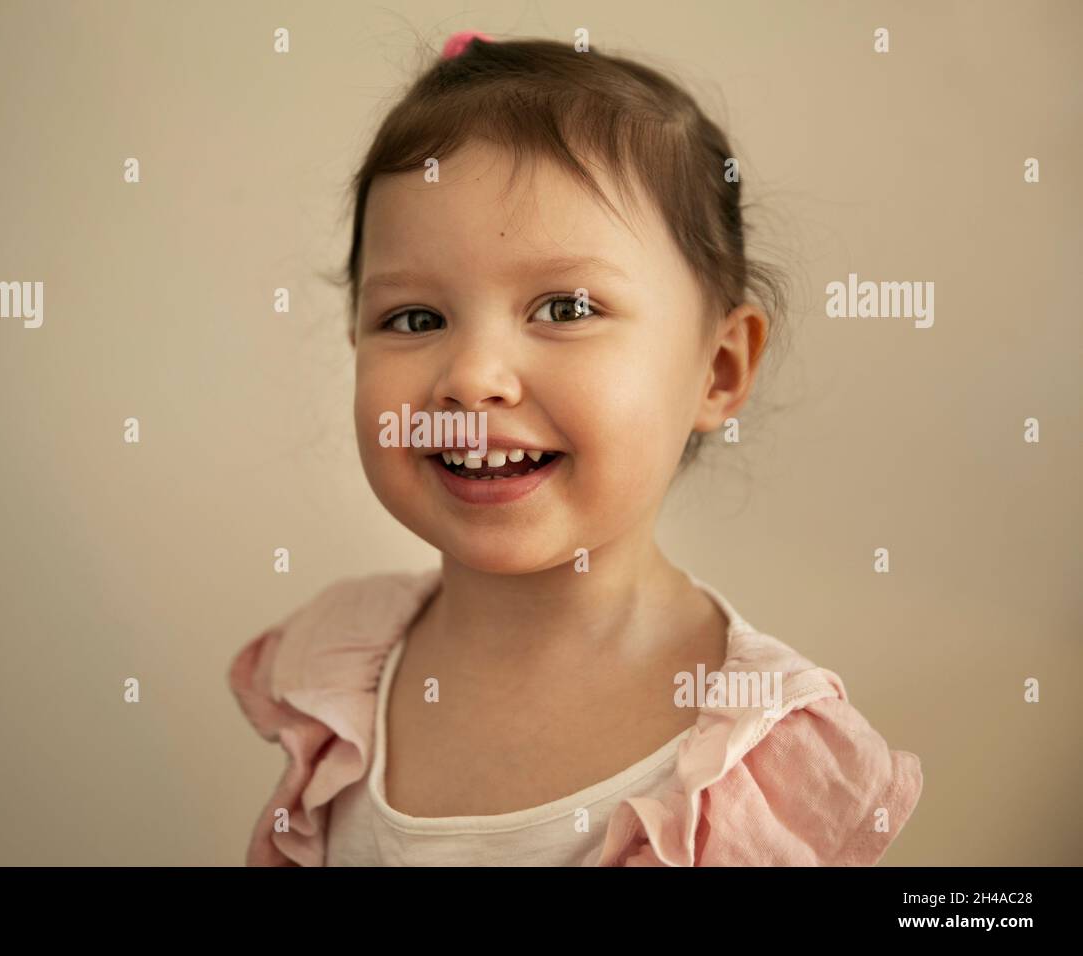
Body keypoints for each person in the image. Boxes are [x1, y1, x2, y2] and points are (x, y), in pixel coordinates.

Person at [228, 30, 922, 866]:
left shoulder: (758, 760)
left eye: (564, 309)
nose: (473, 379)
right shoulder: (339, 671)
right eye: (415, 319)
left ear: (717, 368)